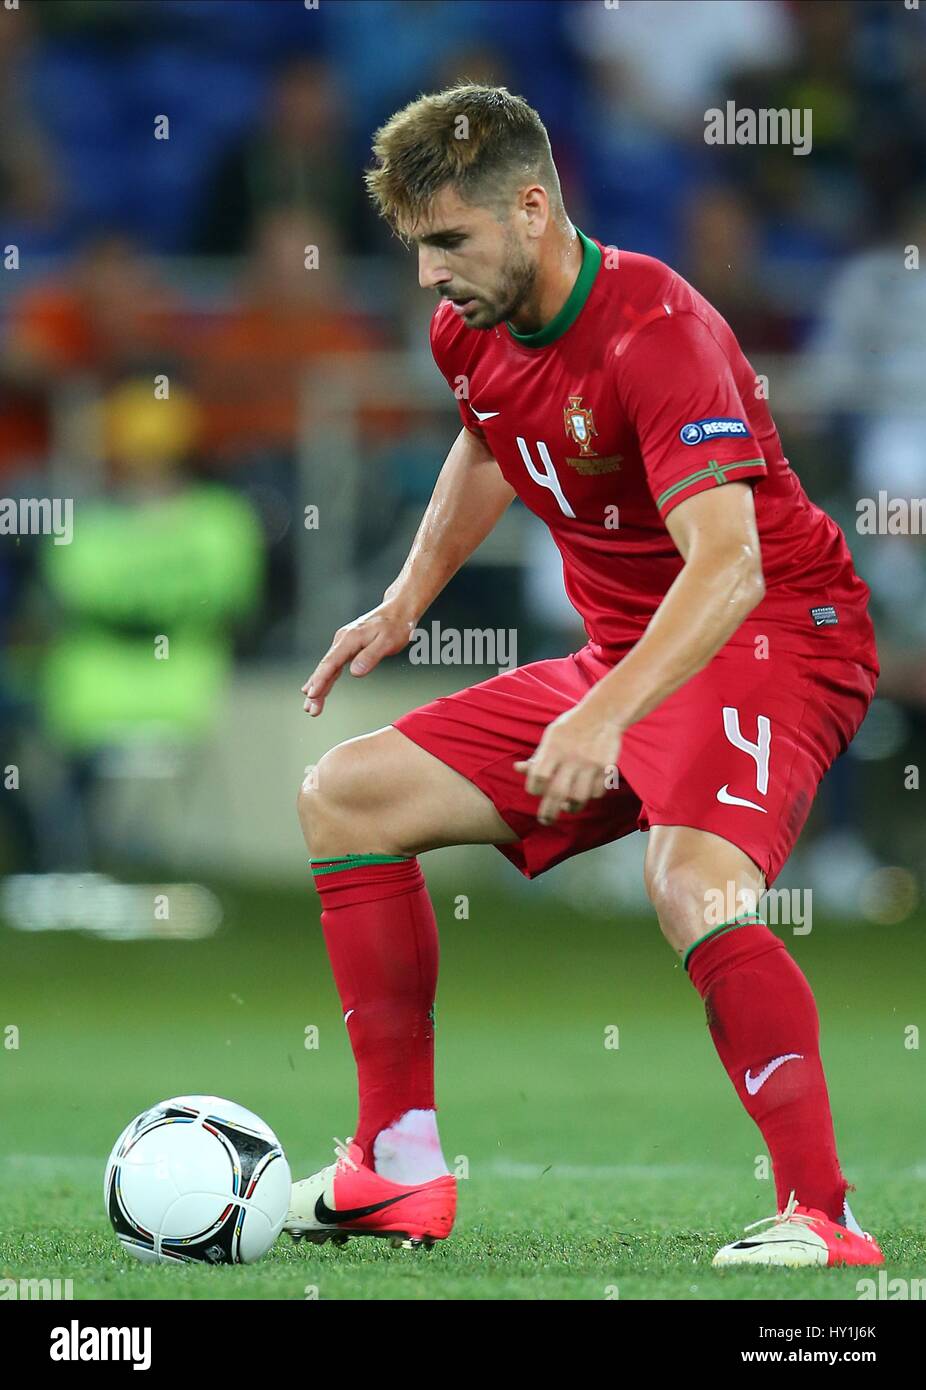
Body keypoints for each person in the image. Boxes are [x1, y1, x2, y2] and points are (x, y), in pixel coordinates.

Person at [286, 84, 882, 1267]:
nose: (427, 277)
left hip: (767, 637)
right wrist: (408, 598)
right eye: (412, 248)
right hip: (628, 658)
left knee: (690, 884)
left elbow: (727, 565)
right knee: (342, 796)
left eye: (447, 241)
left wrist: (606, 716)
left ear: (530, 205)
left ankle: (824, 1216)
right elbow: (489, 437)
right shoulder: (467, 325)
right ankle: (394, 1166)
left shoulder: (659, 329)